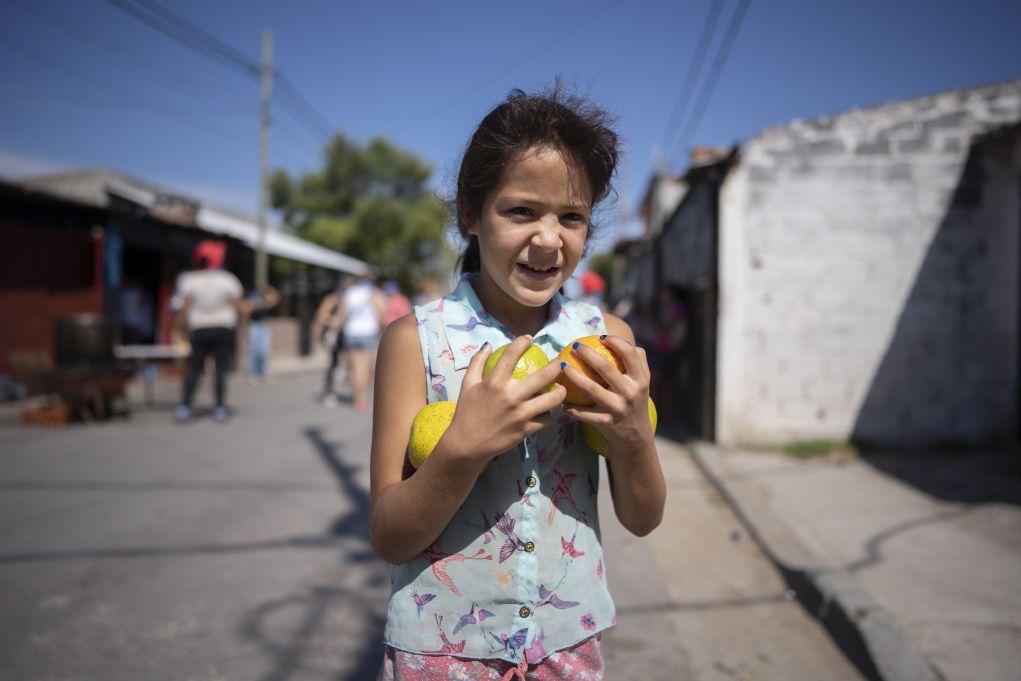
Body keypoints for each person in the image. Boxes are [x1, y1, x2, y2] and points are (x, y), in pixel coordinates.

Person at [370, 85, 666, 679]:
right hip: (441, 652)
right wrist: (462, 448)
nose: (549, 239)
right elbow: (389, 536)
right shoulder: (415, 341)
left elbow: (642, 518)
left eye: (572, 217)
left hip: (566, 647)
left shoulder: (605, 339)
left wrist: (635, 438)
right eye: (521, 211)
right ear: (470, 214)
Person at [173, 240, 244, 423]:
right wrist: (243, 329)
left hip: (200, 329)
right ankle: (219, 407)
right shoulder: (228, 280)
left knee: (194, 369)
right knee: (220, 371)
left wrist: (180, 330)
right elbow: (239, 307)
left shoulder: (190, 280)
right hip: (223, 329)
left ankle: (185, 406)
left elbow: (184, 309)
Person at [332, 274, 385, 410]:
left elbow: (341, 313)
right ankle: (361, 398)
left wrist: (333, 330)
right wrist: (380, 328)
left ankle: (358, 397)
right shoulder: (373, 293)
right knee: (366, 367)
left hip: (351, 333)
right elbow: (382, 313)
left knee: (356, 366)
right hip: (368, 333)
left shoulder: (349, 293)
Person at [245, 284, 280, 382]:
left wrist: (268, 288)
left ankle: (263, 372)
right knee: (253, 350)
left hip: (263, 325)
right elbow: (247, 310)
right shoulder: (252, 297)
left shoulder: (264, 298)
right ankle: (252, 373)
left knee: (264, 350)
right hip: (254, 326)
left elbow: (275, 298)